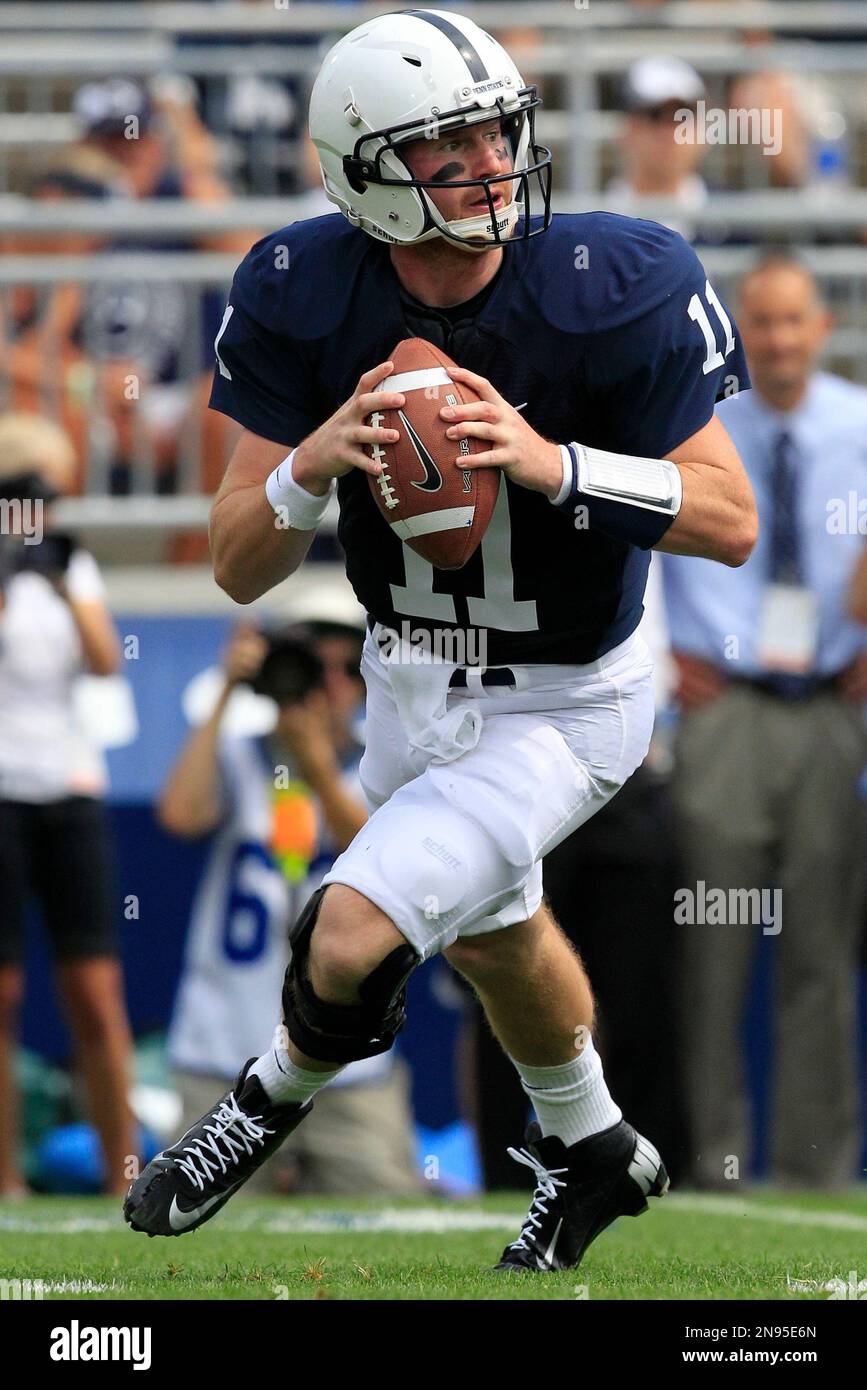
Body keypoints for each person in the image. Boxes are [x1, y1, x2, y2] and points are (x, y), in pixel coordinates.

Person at [125, 10, 757, 1271]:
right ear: (364, 168)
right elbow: (240, 559)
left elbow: (733, 519)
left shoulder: (613, 282)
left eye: (494, 132)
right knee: (489, 930)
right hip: (406, 682)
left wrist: (549, 462)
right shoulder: (301, 291)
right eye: (446, 146)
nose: (487, 163)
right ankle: (591, 1146)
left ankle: (262, 1101)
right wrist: (310, 464)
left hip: (575, 692)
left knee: (352, 929)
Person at [662, 256, 867, 1190]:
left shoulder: (859, 428)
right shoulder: (701, 430)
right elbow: (638, 548)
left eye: (793, 321)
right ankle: (716, 1164)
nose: (778, 340)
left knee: (820, 952)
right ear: (741, 329)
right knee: (712, 951)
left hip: (829, 707)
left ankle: (816, 1168)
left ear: (821, 326)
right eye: (762, 322)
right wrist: (660, 660)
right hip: (726, 712)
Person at [161, 622, 420, 1196]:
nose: (325, 685)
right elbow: (180, 814)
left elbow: (383, 861)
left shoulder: (382, 773)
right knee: (193, 1228)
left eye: (345, 668)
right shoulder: (238, 757)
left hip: (347, 1063)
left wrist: (317, 766)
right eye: (310, 665)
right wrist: (227, 689)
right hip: (223, 1055)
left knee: (392, 1218)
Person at [0, 413, 131, 1197]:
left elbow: (107, 660)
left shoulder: (68, 562)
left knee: (95, 989)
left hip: (69, 790)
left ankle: (126, 1168)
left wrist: (53, 571)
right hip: (1, 793)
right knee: (4, 991)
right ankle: (5, 1179)